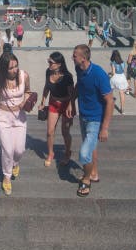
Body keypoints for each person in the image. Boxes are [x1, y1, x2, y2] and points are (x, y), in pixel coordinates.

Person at [0, 52, 33, 196]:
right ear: (3, 68)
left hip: (20, 117)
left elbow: (28, 91)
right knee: (7, 149)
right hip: (3, 118)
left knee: (19, 150)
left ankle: (15, 163)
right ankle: (6, 177)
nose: (15, 70)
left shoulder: (24, 75)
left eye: (16, 66)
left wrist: (25, 100)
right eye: (11, 68)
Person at [72, 44, 112, 197]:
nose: (72, 57)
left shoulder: (99, 74)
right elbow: (79, 85)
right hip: (83, 115)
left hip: (95, 119)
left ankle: (86, 179)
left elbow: (110, 101)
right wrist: (71, 102)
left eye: (75, 55)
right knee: (91, 147)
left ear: (83, 58)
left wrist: (105, 128)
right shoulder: (79, 69)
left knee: (84, 154)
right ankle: (94, 173)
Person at [40, 51, 75, 167]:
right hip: (53, 103)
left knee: (65, 132)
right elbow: (46, 87)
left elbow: (72, 94)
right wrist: (42, 102)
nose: (49, 64)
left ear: (59, 64)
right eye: (48, 61)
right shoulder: (48, 72)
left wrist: (71, 106)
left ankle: (67, 152)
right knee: (50, 131)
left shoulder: (67, 76)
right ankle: (51, 153)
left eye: (51, 62)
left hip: (66, 105)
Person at [109, 49, 128, 115]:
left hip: (115, 78)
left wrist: (110, 74)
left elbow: (113, 73)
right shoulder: (122, 62)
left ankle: (110, 104)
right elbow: (122, 70)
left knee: (110, 90)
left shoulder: (113, 63)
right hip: (122, 77)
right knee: (121, 92)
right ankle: (122, 109)